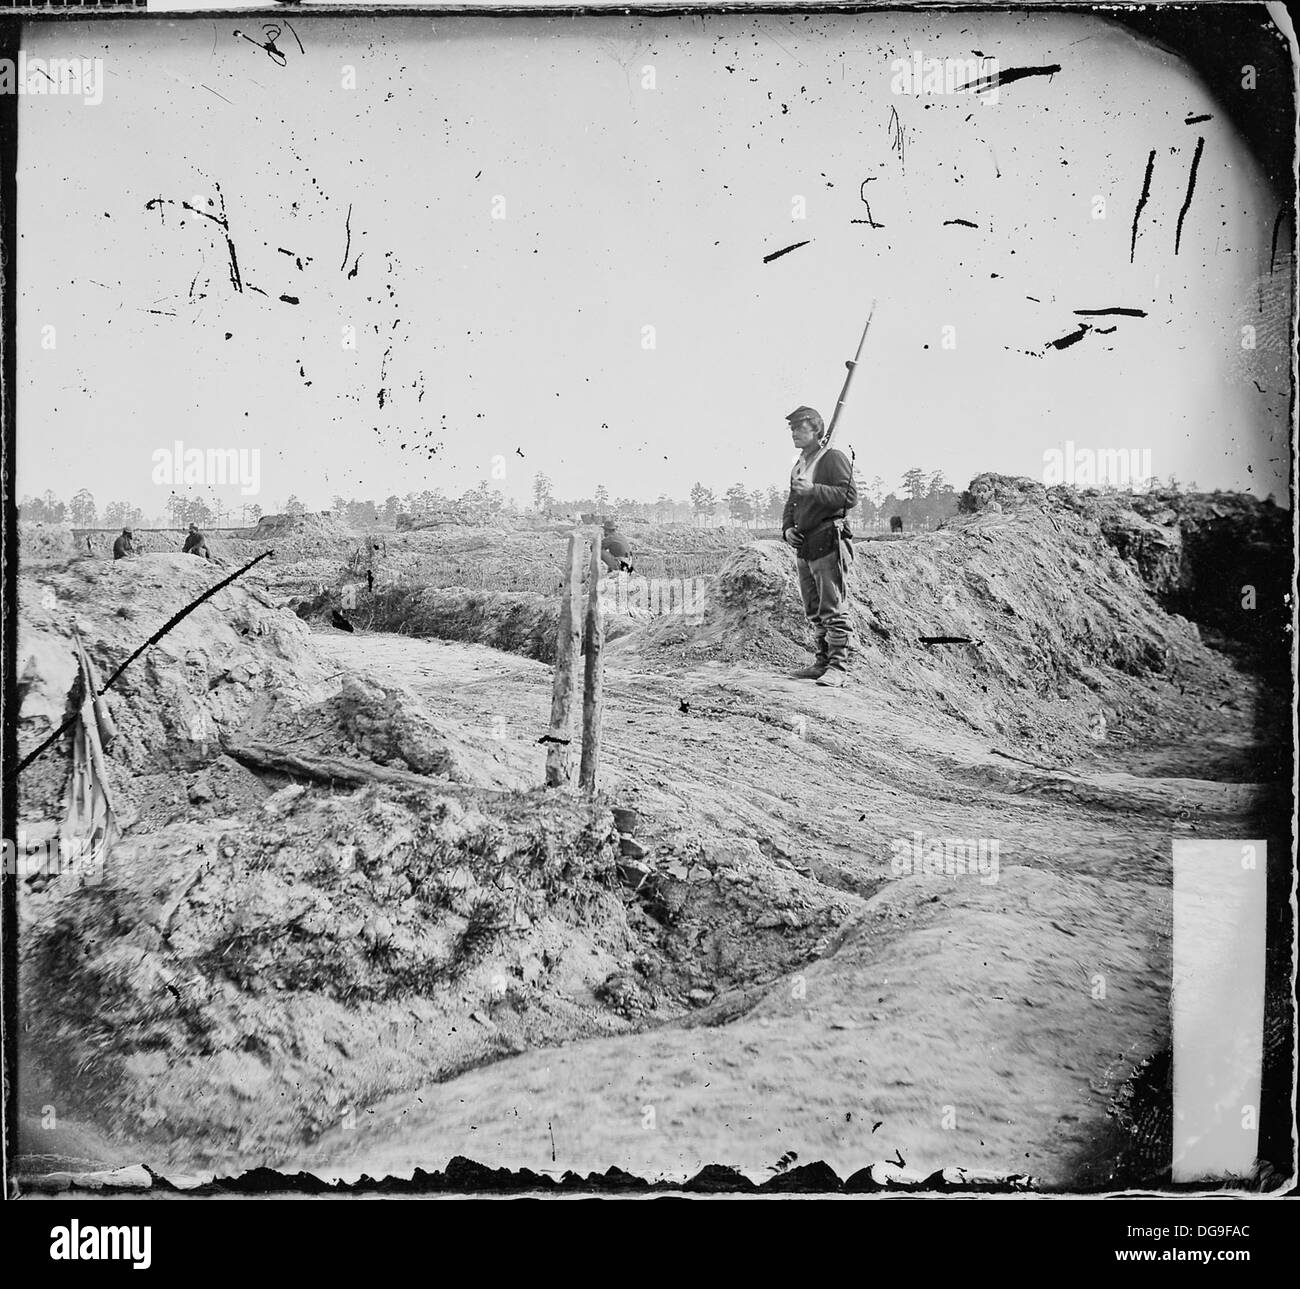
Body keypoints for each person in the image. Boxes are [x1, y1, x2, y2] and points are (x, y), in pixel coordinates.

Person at [781, 405, 858, 686]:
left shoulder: (831, 459)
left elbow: (849, 496)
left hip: (828, 540)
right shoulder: (800, 465)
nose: (794, 433)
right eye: (792, 428)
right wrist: (787, 529)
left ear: (817, 430)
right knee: (814, 609)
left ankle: (838, 667)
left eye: (801, 427)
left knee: (832, 607)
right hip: (805, 544)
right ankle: (822, 661)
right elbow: (791, 504)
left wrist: (813, 490)